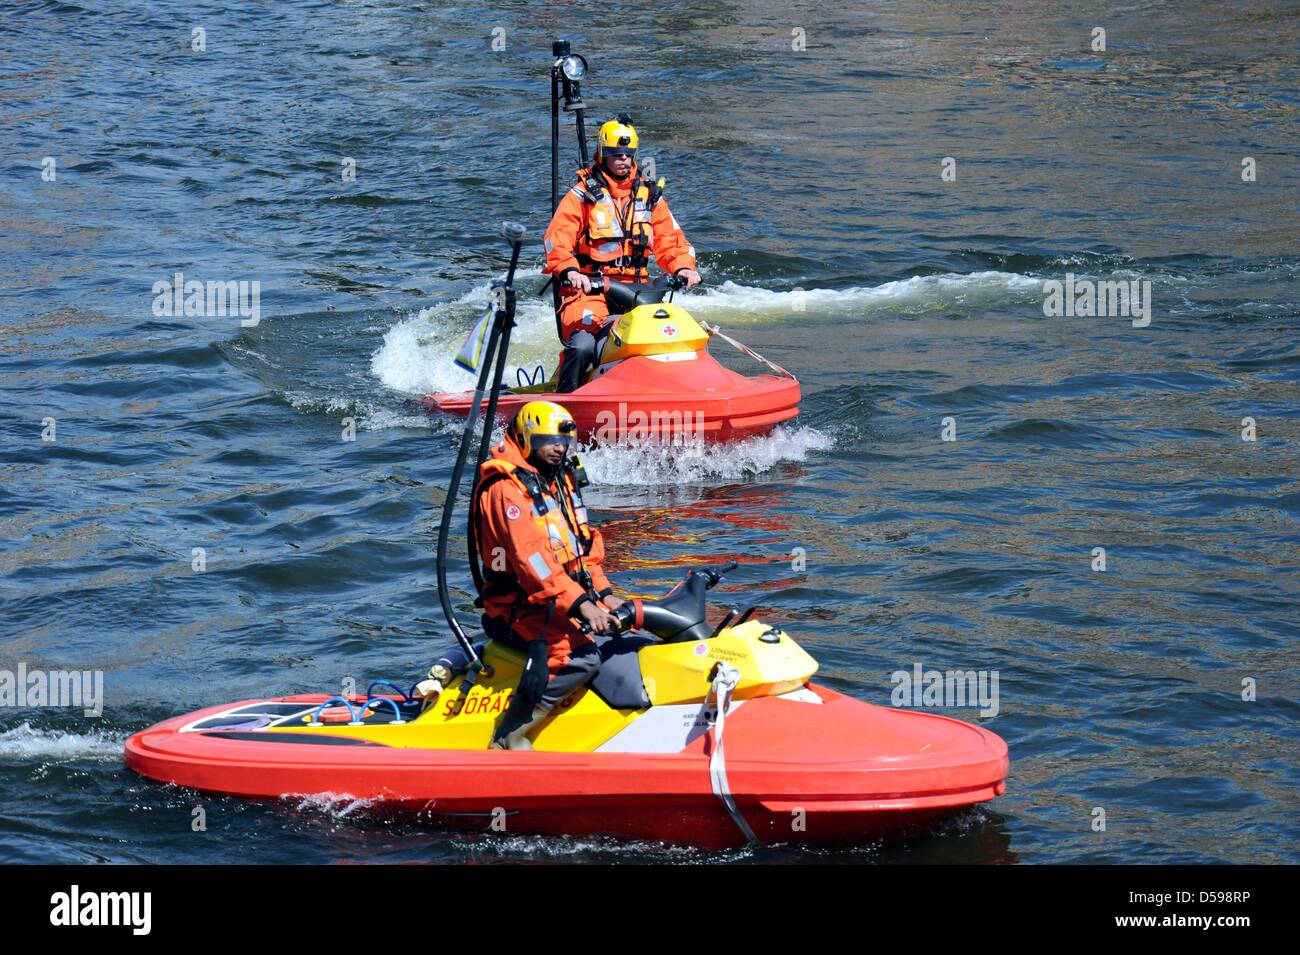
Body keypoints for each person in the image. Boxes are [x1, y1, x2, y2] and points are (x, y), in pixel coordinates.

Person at [471, 400, 625, 749]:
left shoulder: (556, 480)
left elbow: (582, 550)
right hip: (519, 608)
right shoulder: (505, 489)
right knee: (578, 658)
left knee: (624, 639)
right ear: (526, 439)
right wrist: (582, 606)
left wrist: (605, 594)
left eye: (564, 441)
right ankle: (511, 734)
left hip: (557, 599)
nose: (559, 447)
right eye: (548, 440)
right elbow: (532, 561)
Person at [542, 116, 702, 392]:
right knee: (582, 347)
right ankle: (565, 402)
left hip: (638, 289)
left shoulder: (649, 196)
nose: (624, 160)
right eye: (617, 154)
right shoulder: (582, 195)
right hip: (591, 290)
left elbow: (670, 239)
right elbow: (556, 240)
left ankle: (683, 390)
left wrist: (683, 268)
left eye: (629, 154)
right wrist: (570, 271)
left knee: (673, 335)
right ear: (602, 154)